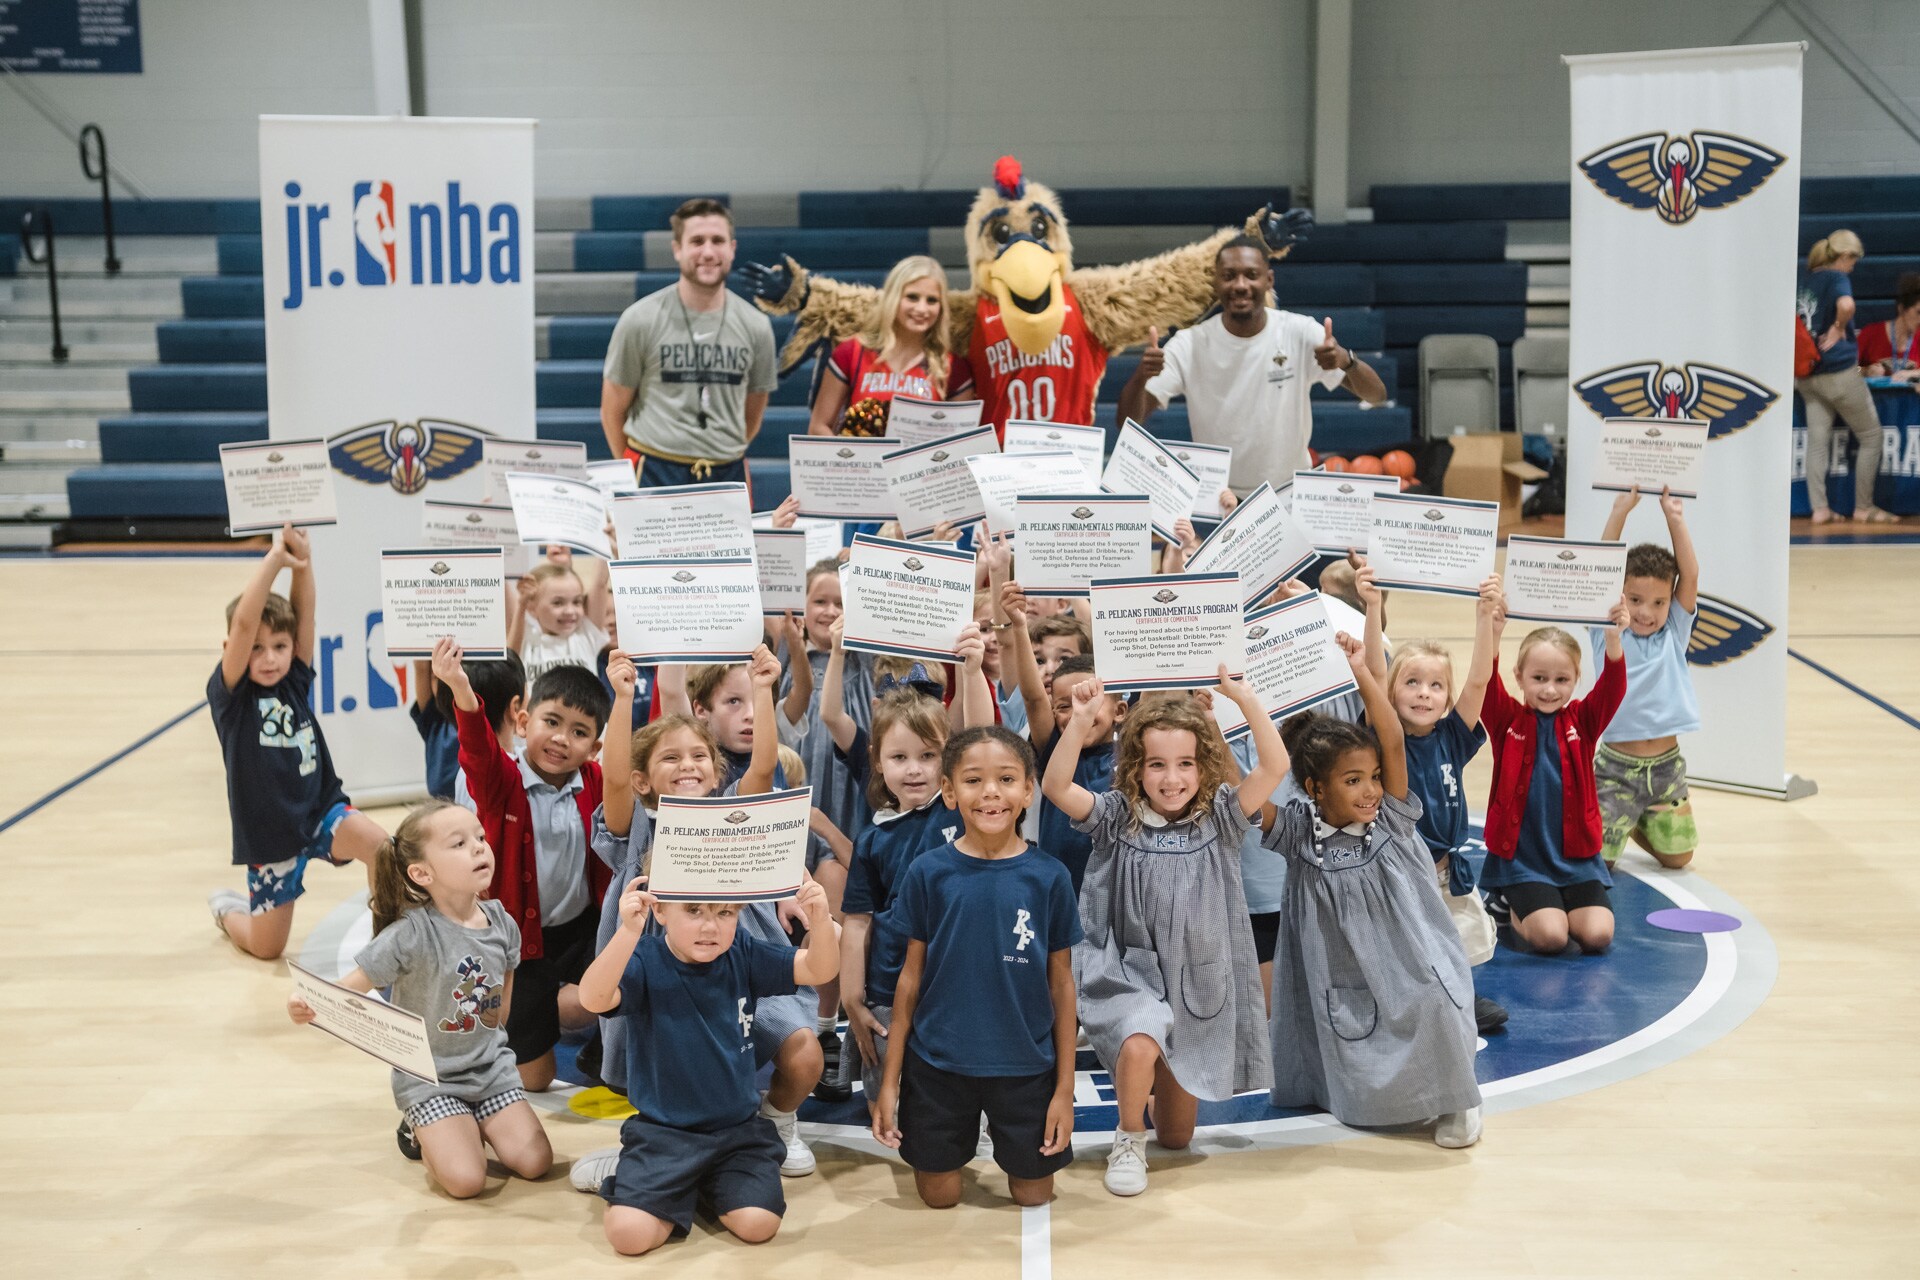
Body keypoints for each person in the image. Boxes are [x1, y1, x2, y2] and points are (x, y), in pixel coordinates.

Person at [579, 647, 829, 1177]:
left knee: (804, 1052)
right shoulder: (638, 825)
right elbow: (615, 779)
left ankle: (776, 1122)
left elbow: (765, 763)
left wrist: (764, 690)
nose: (687, 765)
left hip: (739, 958)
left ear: (715, 772)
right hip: (655, 957)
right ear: (646, 779)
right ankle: (648, 1146)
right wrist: (623, 697)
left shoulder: (732, 810)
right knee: (663, 1067)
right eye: (669, 758)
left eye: (697, 757)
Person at [1044, 674, 1288, 1196]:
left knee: (1177, 1137)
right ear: (1136, 767)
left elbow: (1275, 767)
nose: (1171, 778)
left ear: (1202, 767)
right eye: (1157, 764)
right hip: (1127, 968)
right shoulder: (1116, 817)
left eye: (1184, 765)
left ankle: (1150, 1097)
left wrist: (1241, 699)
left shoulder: (1221, 819)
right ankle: (1128, 1137)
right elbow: (1056, 787)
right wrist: (1083, 718)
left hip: (1196, 977)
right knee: (1137, 1041)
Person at [1261, 634, 1484, 1148]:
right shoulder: (1298, 832)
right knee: (1347, 1030)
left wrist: (1364, 671)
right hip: (1339, 965)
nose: (1370, 790)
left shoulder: (1392, 816)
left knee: (1435, 1003)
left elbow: (1392, 736)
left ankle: (1459, 1101)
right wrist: (1228, 712)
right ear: (1316, 789)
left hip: (1411, 951)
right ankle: (1348, 1094)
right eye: (1353, 780)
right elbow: (1248, 795)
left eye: (1375, 777)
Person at [287, 800, 552, 1197]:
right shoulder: (411, 933)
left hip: (489, 1072)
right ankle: (423, 1130)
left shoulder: (503, 923)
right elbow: (353, 985)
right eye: (459, 844)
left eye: (480, 837)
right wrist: (310, 1002)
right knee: (467, 1182)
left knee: (535, 1163)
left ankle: (470, 1122)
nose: (480, 847)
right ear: (421, 872)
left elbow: (501, 1007)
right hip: (431, 1079)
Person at [572, 867, 840, 1255]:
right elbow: (593, 999)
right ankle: (630, 1168)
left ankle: (692, 1183)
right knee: (628, 1237)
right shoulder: (645, 958)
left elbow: (819, 969)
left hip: (737, 1134)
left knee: (759, 1224)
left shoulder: (743, 951)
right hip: (664, 1134)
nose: (710, 927)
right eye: (694, 910)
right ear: (660, 911)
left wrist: (820, 918)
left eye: (725, 913)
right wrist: (627, 932)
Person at [871, 726, 1080, 1209]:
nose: (990, 792)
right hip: (938, 1067)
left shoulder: (1049, 876)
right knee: (938, 1198)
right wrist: (890, 1083)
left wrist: (1063, 1090)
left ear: (1029, 789)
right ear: (948, 791)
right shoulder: (928, 871)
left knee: (1033, 1195)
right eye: (973, 780)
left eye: (1006, 779)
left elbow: (1063, 986)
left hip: (1027, 1068)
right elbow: (909, 980)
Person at [206, 525, 386, 960]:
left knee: (383, 850)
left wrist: (302, 564)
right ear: (232, 647)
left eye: (280, 646)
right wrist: (274, 560)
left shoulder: (295, 678)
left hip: (322, 810)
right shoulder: (231, 697)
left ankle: (388, 947)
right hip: (271, 836)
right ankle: (230, 912)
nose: (269, 658)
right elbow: (247, 621)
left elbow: (305, 615)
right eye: (256, 648)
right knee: (268, 948)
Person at [437, 642, 609, 1092]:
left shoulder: (597, 782)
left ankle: (607, 1042)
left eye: (578, 731)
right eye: (551, 722)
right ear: (522, 720)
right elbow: (475, 750)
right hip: (525, 943)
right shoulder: (503, 782)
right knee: (536, 1080)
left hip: (583, 931)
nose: (560, 739)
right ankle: (504, 1022)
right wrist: (460, 687)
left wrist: (627, 697)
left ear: (595, 747)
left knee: (625, 980)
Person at [1354, 563, 1509, 1034]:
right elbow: (1375, 672)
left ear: (1445, 699)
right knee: (1405, 943)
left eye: (1435, 686)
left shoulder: (1452, 737)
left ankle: (1458, 994)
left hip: (1445, 867)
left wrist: (1488, 620)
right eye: (1412, 683)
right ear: (1393, 691)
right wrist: (1374, 606)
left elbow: (1479, 681)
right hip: (1398, 869)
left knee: (1459, 935)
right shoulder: (1384, 736)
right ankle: (1416, 1000)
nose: (1424, 693)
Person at [1116, 235, 1389, 497]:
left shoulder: (1300, 331)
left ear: (1268, 280)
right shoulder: (1189, 343)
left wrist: (1346, 359)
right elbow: (1128, 422)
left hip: (1289, 492)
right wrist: (1141, 376)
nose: (1240, 285)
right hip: (1218, 498)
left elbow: (1377, 396)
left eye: (1251, 274)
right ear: (1216, 282)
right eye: (1229, 276)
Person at [1477, 602, 1628, 956]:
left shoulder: (1583, 721)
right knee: (1551, 939)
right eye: (1539, 678)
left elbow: (1613, 690)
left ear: (1576, 679)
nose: (1549, 689)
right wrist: (1494, 634)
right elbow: (1483, 683)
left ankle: (1554, 902)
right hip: (1524, 860)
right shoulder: (1507, 720)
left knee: (1597, 936)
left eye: (1562, 680)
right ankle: (1506, 900)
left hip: (1576, 860)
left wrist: (1613, 640)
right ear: (1519, 676)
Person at [838, 690, 963, 1111]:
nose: (914, 770)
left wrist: (969, 669)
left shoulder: (962, 812)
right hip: (889, 985)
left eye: (929, 756)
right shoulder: (872, 838)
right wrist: (852, 998)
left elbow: (985, 729)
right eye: (899, 758)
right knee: (885, 1107)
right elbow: (856, 923)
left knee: (955, 1092)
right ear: (877, 760)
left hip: (959, 979)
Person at [600, 198, 778, 489]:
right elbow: (612, 410)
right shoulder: (639, 319)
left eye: (717, 241)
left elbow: (753, 412)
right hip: (654, 470)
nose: (708, 252)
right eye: (697, 241)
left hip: (727, 472)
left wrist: (719, 447)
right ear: (677, 249)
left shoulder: (757, 326)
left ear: (732, 249)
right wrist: (633, 472)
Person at [1596, 487, 1702, 870]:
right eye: (1635, 600)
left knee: (1679, 858)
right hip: (1615, 769)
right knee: (1601, 863)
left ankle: (1632, 822)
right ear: (1619, 595)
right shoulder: (1607, 628)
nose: (1646, 612)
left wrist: (1675, 518)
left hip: (1667, 768)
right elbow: (1601, 568)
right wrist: (1619, 511)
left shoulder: (1674, 631)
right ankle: (1613, 820)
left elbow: (1689, 573)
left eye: (1658, 602)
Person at [808, 255, 974, 436]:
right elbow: (819, 427)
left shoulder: (952, 367)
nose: (921, 309)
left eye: (932, 300)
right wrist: (851, 458)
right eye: (912, 297)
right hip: (860, 463)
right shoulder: (851, 353)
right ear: (893, 297)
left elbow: (961, 444)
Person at [1797, 230, 1894, 524]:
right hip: (1838, 373)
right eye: (1853, 261)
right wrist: (1840, 326)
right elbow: (1847, 305)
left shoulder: (1806, 279)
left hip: (1807, 376)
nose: (1853, 267)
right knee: (1871, 436)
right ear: (1843, 257)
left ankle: (1820, 509)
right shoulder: (1837, 278)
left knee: (1817, 442)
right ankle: (1864, 507)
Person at [509, 558, 614, 685]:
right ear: (532, 607)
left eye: (577, 602)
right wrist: (521, 604)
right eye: (557, 603)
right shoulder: (526, 639)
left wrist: (606, 541)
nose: (570, 611)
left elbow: (600, 583)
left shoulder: (586, 636)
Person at [1859, 270, 1920, 383]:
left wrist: (1911, 374)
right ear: (1901, 308)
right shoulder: (1871, 333)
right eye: (1918, 312)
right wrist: (1866, 371)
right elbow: (1846, 372)